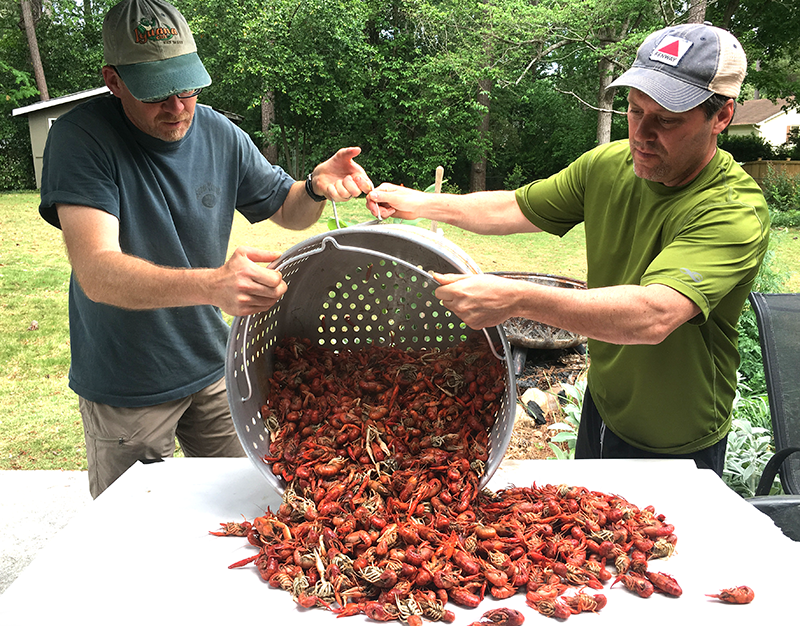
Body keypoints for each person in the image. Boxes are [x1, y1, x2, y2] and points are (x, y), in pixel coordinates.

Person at [366, 23, 769, 476]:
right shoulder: (608, 165)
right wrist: (422, 204)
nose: (642, 133)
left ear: (722, 116)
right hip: (603, 403)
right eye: (635, 112)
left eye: (667, 120)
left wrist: (517, 298)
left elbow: (654, 314)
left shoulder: (732, 210)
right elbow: (514, 208)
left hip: (676, 436)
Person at [39, 0, 375, 498]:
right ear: (113, 80)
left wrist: (315, 187)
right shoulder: (81, 139)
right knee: (132, 526)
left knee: (247, 503)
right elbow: (98, 271)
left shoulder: (218, 131)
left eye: (187, 87)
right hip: (127, 381)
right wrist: (214, 285)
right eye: (158, 92)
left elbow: (287, 209)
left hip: (214, 368)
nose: (178, 107)